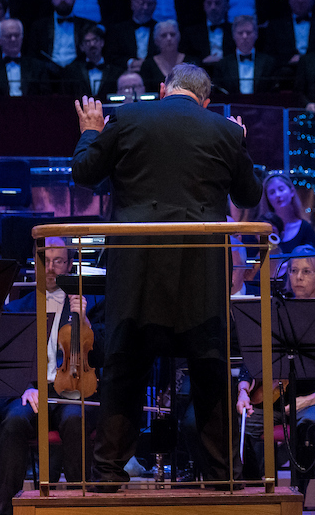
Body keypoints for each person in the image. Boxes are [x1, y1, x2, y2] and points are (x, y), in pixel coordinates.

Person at [69, 63, 263, 488]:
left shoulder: (128, 117)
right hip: (202, 275)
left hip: (138, 271)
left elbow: (84, 173)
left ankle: (106, 477)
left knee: (125, 370)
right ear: (206, 100)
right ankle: (223, 480)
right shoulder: (225, 131)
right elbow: (250, 195)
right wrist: (239, 143)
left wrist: (90, 130)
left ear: (162, 89)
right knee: (210, 374)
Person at [0, 242, 105, 511]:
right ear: (36, 264)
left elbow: (101, 355)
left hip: (73, 391)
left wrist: (85, 321)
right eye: (47, 261)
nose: (52, 268)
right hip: (31, 391)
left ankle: (81, 505)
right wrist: (24, 388)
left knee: (75, 421)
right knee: (13, 422)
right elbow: (5, 360)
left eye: (59, 261)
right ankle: (8, 506)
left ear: (69, 266)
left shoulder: (91, 305)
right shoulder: (17, 309)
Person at [236, 247, 315, 490]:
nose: (298, 277)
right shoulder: (274, 311)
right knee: (239, 426)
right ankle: (252, 490)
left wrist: (309, 400)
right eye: (293, 271)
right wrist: (242, 390)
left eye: (306, 271)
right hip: (273, 398)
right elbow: (252, 357)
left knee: (308, 426)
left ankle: (297, 496)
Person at [0, 19, 49, 96]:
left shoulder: (38, 67)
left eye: (17, 35)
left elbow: (45, 98)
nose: (13, 39)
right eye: (8, 36)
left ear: (22, 38)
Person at [139, 19, 197, 92]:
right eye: (164, 35)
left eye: (172, 34)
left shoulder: (191, 62)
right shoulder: (148, 65)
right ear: (156, 40)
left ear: (178, 37)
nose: (169, 38)